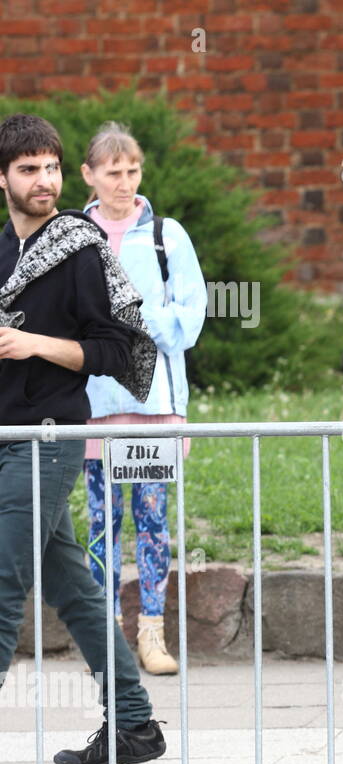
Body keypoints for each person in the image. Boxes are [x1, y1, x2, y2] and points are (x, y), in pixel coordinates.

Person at [0, 113, 166, 764]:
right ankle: (134, 725)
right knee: (71, 585)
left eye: (52, 168)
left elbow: (116, 350)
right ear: (3, 178)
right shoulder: (1, 252)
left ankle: (131, 723)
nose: (45, 181)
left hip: (48, 438)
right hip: (5, 432)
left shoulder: (80, 247)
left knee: (2, 584)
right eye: (29, 169)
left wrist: (33, 343)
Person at [78, 121, 207, 678]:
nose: (124, 182)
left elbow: (190, 317)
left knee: (152, 520)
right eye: (113, 172)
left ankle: (151, 632)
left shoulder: (167, 237)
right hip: (93, 405)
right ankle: (103, 635)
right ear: (89, 176)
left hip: (153, 404)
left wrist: (132, 319)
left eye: (132, 170)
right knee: (101, 522)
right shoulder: (71, 236)